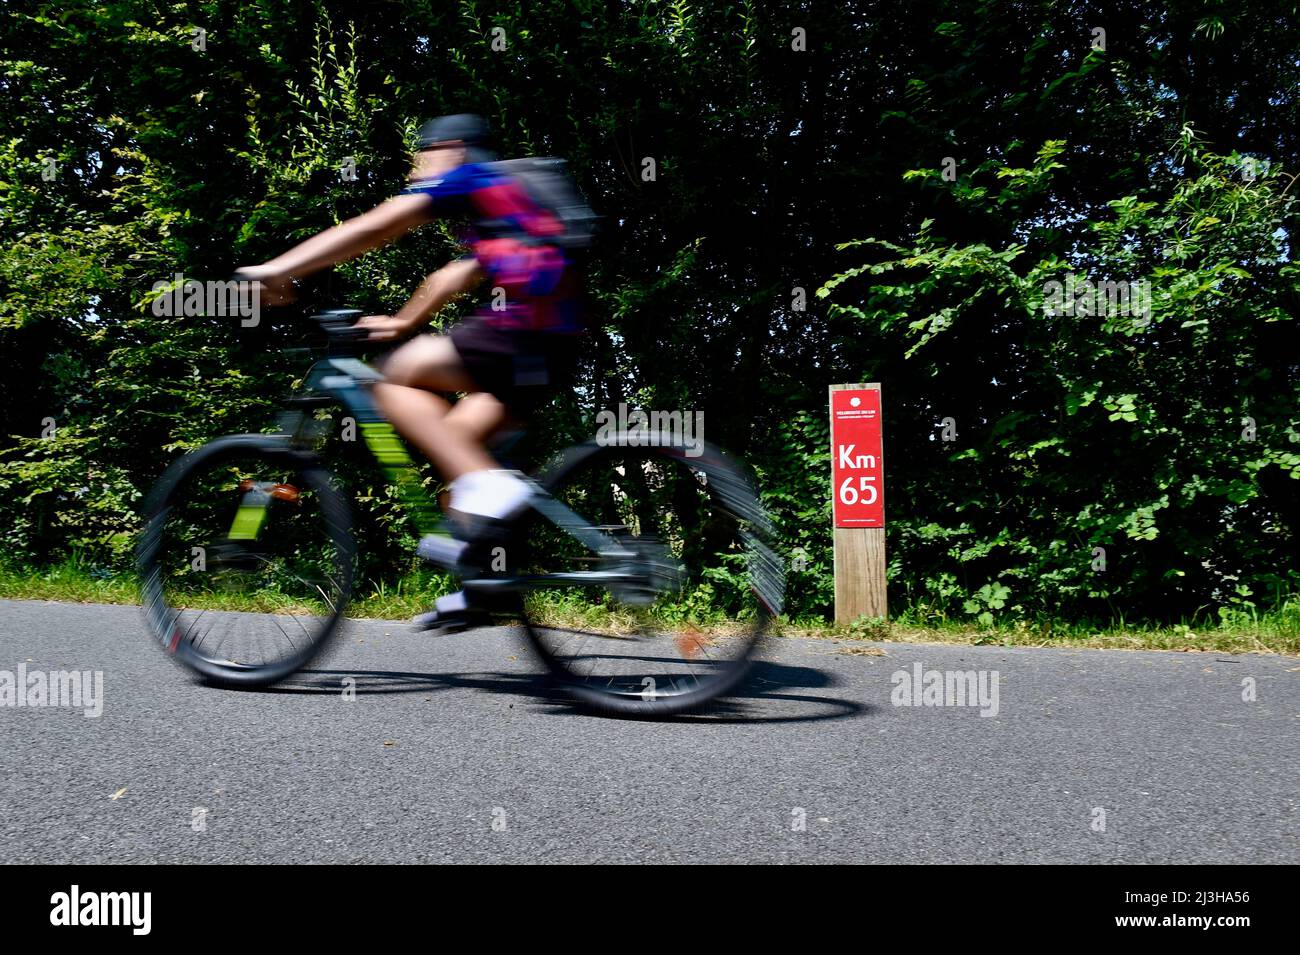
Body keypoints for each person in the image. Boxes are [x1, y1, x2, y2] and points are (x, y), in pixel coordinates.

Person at [236, 113, 585, 628]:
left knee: (395, 378)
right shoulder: (509, 205)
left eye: (421, 154)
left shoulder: (471, 176)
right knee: (459, 452)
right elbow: (454, 275)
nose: (417, 166)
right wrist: (401, 321)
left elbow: (380, 224)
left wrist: (278, 269)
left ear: (451, 147)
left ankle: (489, 507)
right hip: (558, 344)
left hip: (524, 329)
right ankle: (486, 588)